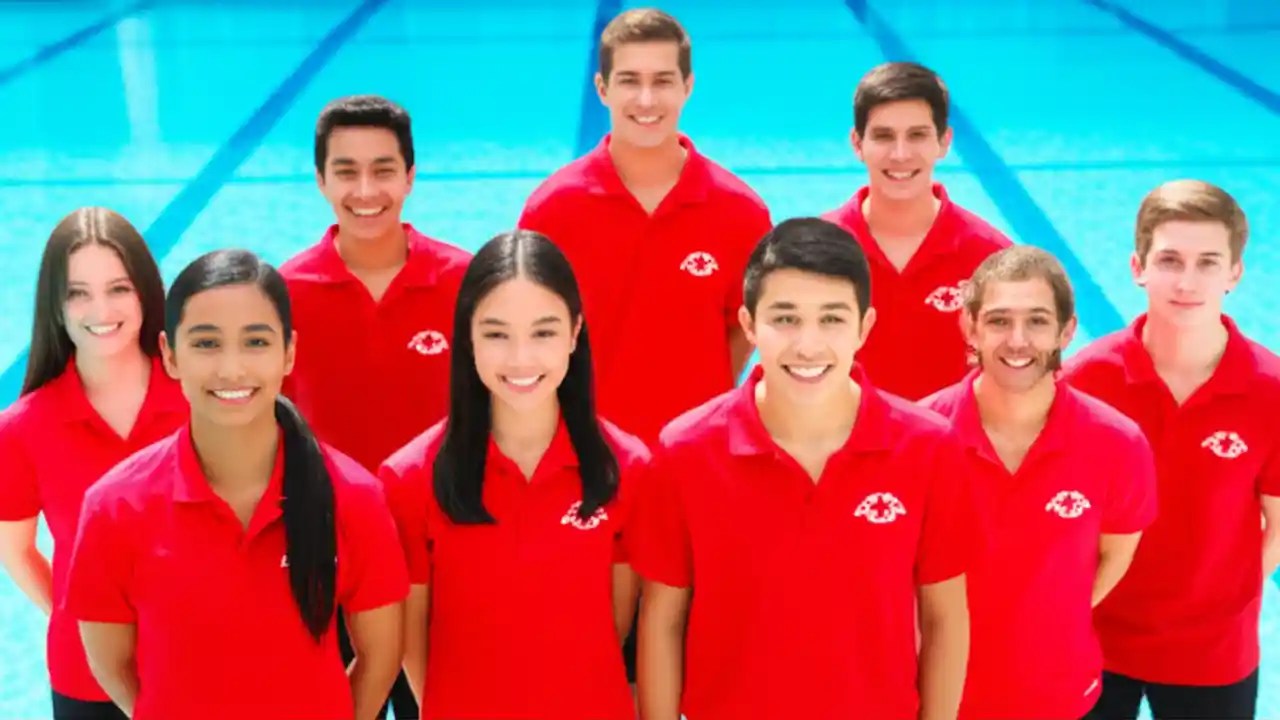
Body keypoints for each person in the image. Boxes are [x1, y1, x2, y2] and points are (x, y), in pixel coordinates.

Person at [633, 217, 973, 720]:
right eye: (785, 319)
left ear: (865, 327)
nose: (808, 345)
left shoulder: (928, 448)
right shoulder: (686, 451)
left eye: (832, 319)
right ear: (749, 325)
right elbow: (662, 619)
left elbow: (945, 616)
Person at [63, 249, 408, 720]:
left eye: (256, 343)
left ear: (289, 353)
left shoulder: (354, 497)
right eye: (206, 344)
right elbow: (111, 662)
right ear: (169, 355)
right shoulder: (114, 507)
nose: (232, 369)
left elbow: (380, 657)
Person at [379, 230, 646, 719]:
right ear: (467, 338)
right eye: (497, 333)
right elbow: (410, 640)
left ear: (574, 332)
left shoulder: (628, 469)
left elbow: (617, 625)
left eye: (543, 332)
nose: (521, 359)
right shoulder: (410, 478)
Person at [281, 94, 470, 718]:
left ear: (411, 176)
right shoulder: (283, 296)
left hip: (442, 566)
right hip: (329, 563)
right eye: (347, 170)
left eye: (384, 169)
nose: (367, 189)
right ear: (320, 180)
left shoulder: (465, 284)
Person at [1065, 180, 1280, 719]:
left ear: (1235, 273)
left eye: (1208, 262)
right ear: (1138, 266)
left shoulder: (1268, 391)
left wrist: (1220, 597)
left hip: (1212, 654)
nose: (1187, 281)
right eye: (1169, 260)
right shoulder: (1087, 380)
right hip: (1092, 639)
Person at [920, 245, 1156, 719]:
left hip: (1062, 696)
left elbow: (1117, 552)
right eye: (1000, 320)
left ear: (1066, 331)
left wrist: (1050, 615)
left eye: (1037, 321)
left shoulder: (1117, 443)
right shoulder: (920, 438)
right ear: (970, 327)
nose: (1018, 340)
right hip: (940, 697)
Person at [518, 8, 773, 445]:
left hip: (697, 452)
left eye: (662, 81)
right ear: (601, 89)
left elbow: (748, 326)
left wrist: (699, 403)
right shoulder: (554, 209)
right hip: (585, 450)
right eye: (630, 81)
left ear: (687, 87)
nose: (646, 100)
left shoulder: (739, 211)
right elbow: (526, 326)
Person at [0, 208, 185, 720]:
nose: (99, 308)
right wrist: (75, 614)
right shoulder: (23, 429)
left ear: (146, 292)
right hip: (86, 680)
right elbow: (16, 552)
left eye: (118, 288)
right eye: (78, 292)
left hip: (200, 666)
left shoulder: (199, 400)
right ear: (55, 306)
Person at [822, 61, 1010, 401]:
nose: (900, 154)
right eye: (883, 136)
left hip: (951, 451)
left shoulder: (990, 256)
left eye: (917, 135)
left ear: (944, 141)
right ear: (857, 143)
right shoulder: (816, 249)